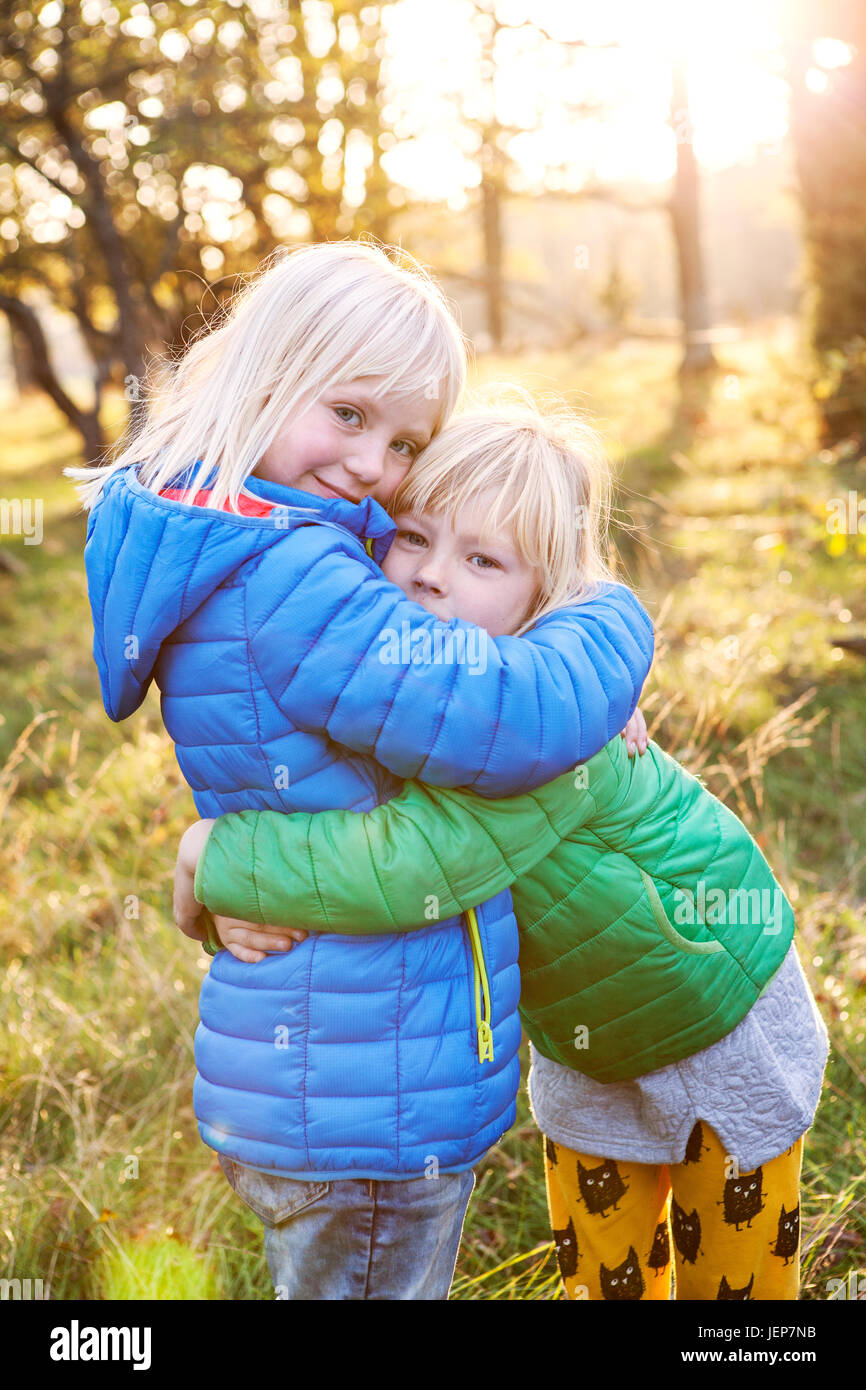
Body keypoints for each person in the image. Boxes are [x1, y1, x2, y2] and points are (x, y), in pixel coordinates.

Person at [68, 240, 654, 1301]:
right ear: (265, 374)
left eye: (404, 441)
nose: (374, 466)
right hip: (369, 1094)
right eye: (348, 414)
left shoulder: (244, 535)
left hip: (315, 1073)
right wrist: (600, 618)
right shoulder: (292, 576)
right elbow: (499, 716)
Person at [175, 400, 828, 1301]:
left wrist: (216, 857)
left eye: (483, 560)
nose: (431, 576)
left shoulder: (536, 736)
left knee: (734, 1296)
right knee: (604, 1277)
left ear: (543, 600)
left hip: (718, 1019)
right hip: (585, 1040)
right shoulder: (429, 686)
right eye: (413, 537)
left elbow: (411, 863)